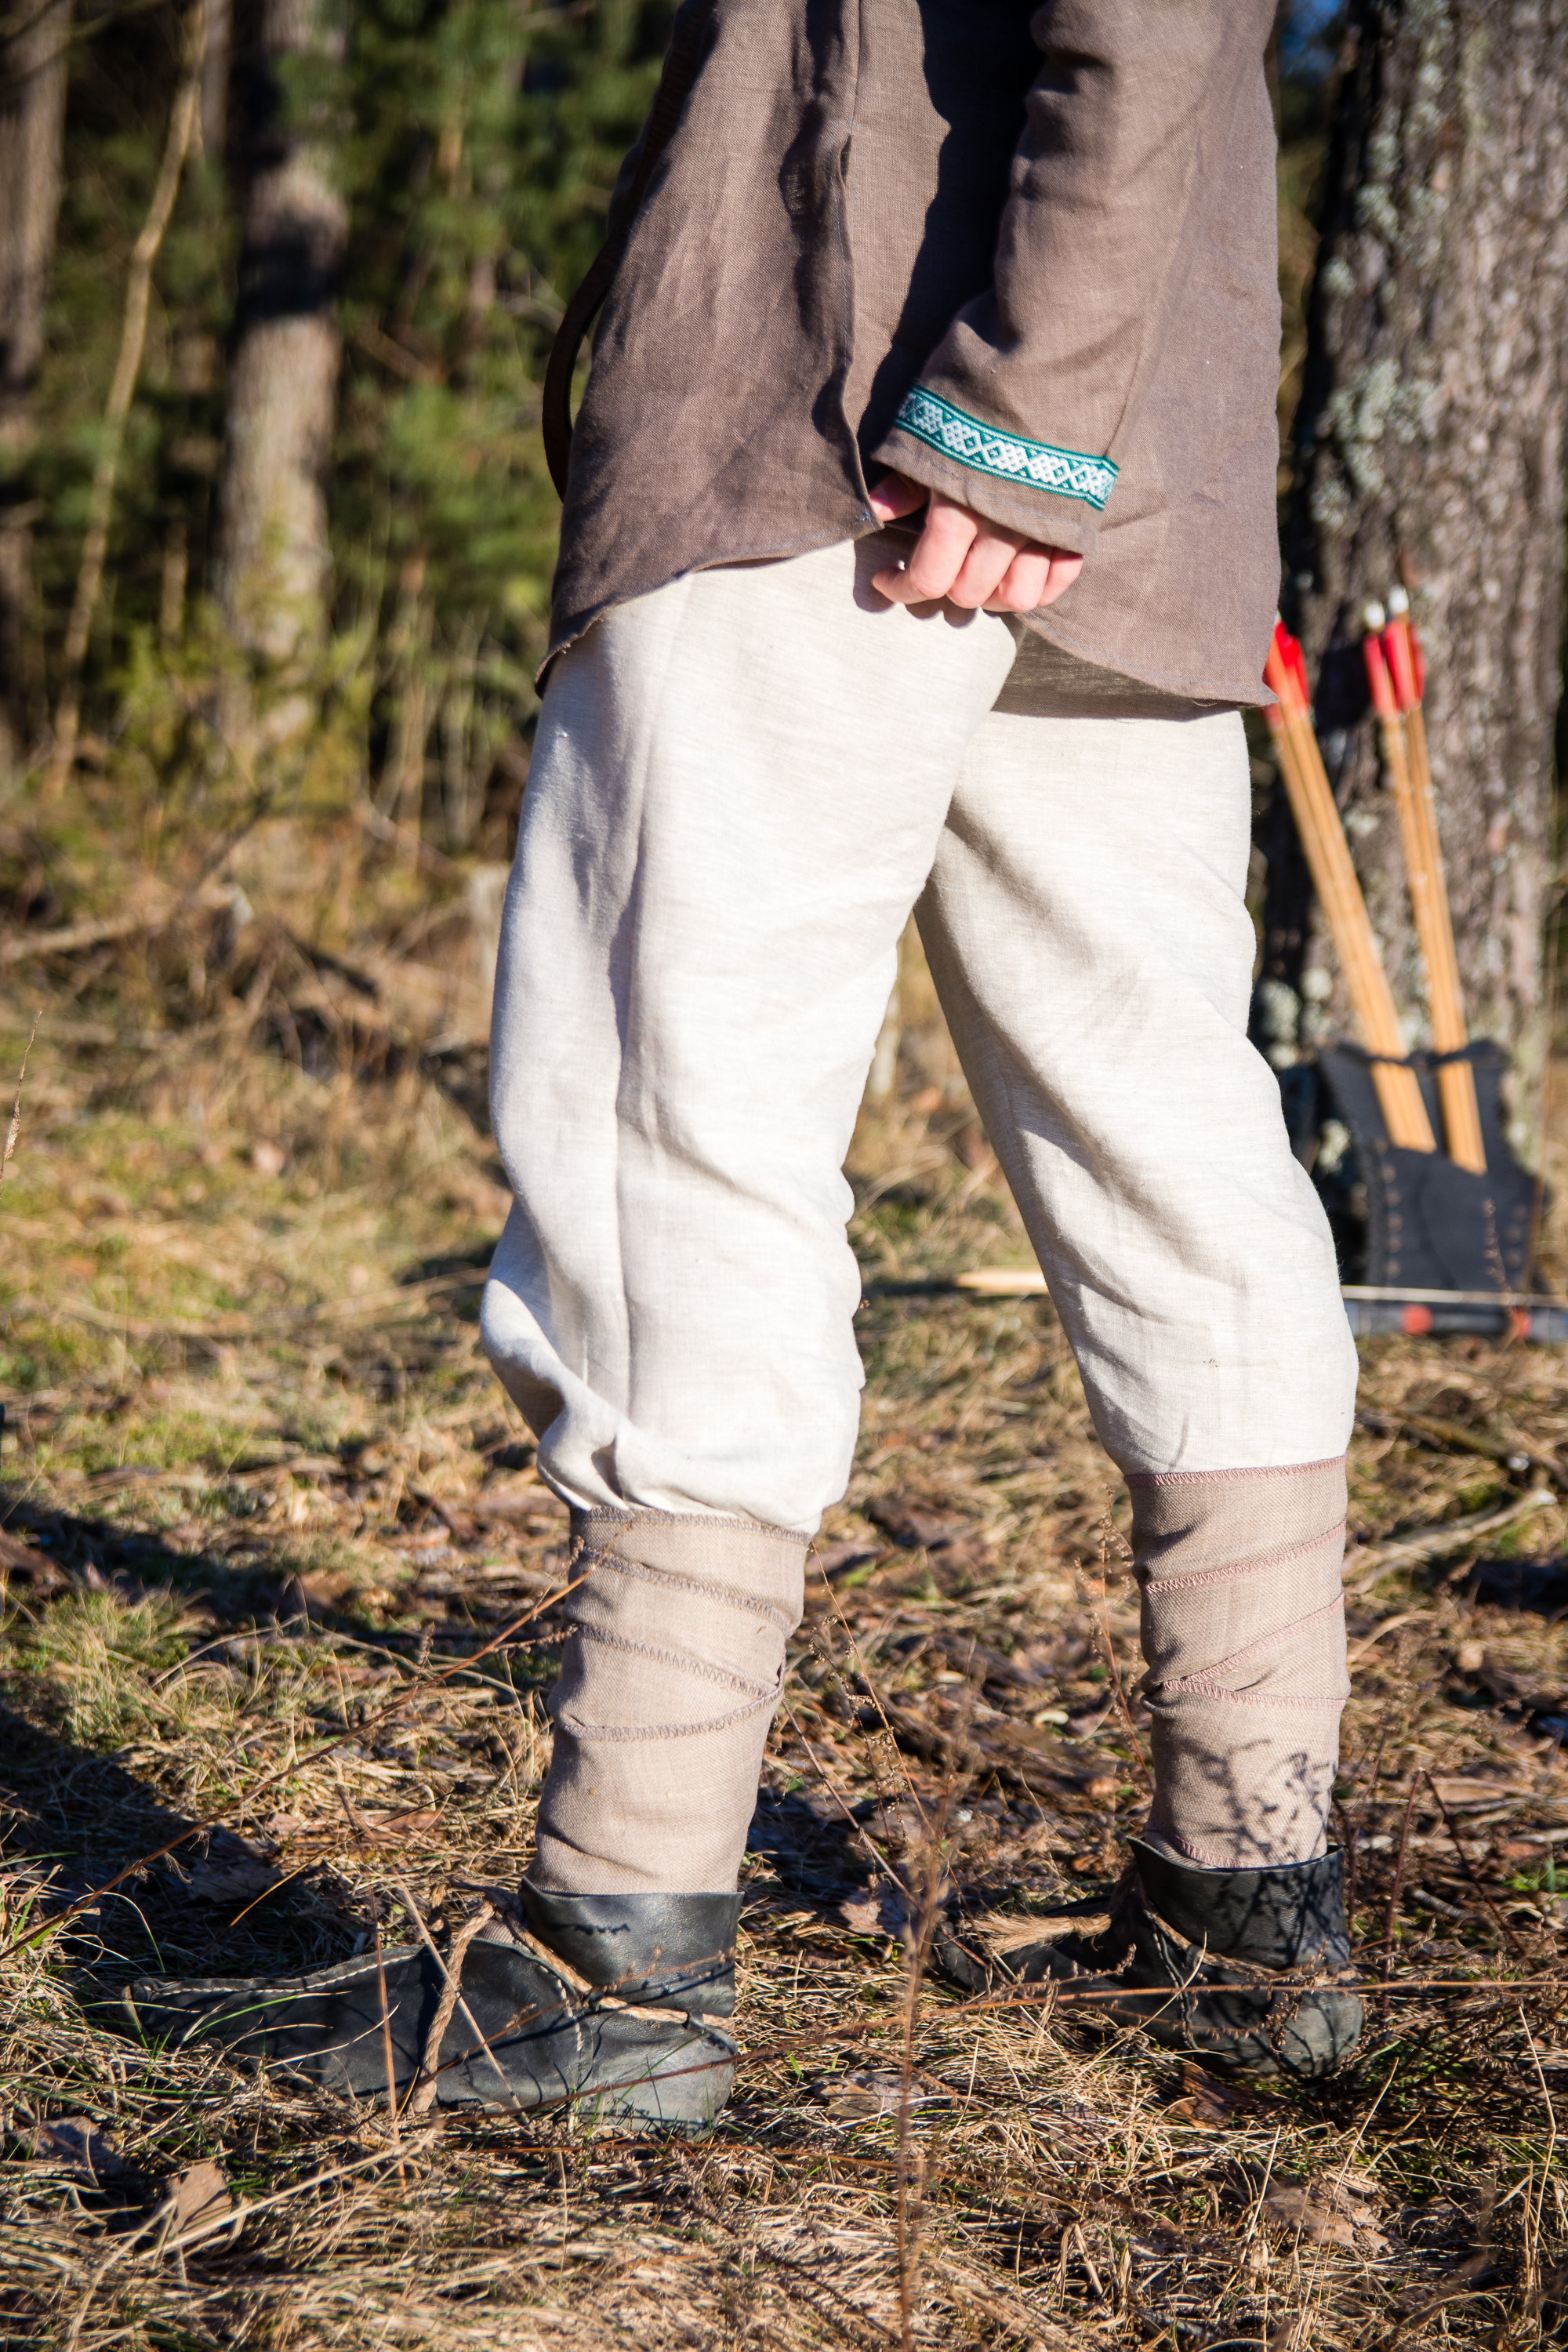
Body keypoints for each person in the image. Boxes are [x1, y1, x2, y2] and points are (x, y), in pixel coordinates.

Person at [129, 0, 1362, 2125]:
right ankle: (1253, 1918)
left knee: (669, 1129)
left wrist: (1012, 418)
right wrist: (1061, 420)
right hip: (1117, 477)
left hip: (856, 423)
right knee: (1174, 1141)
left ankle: (618, 1951)